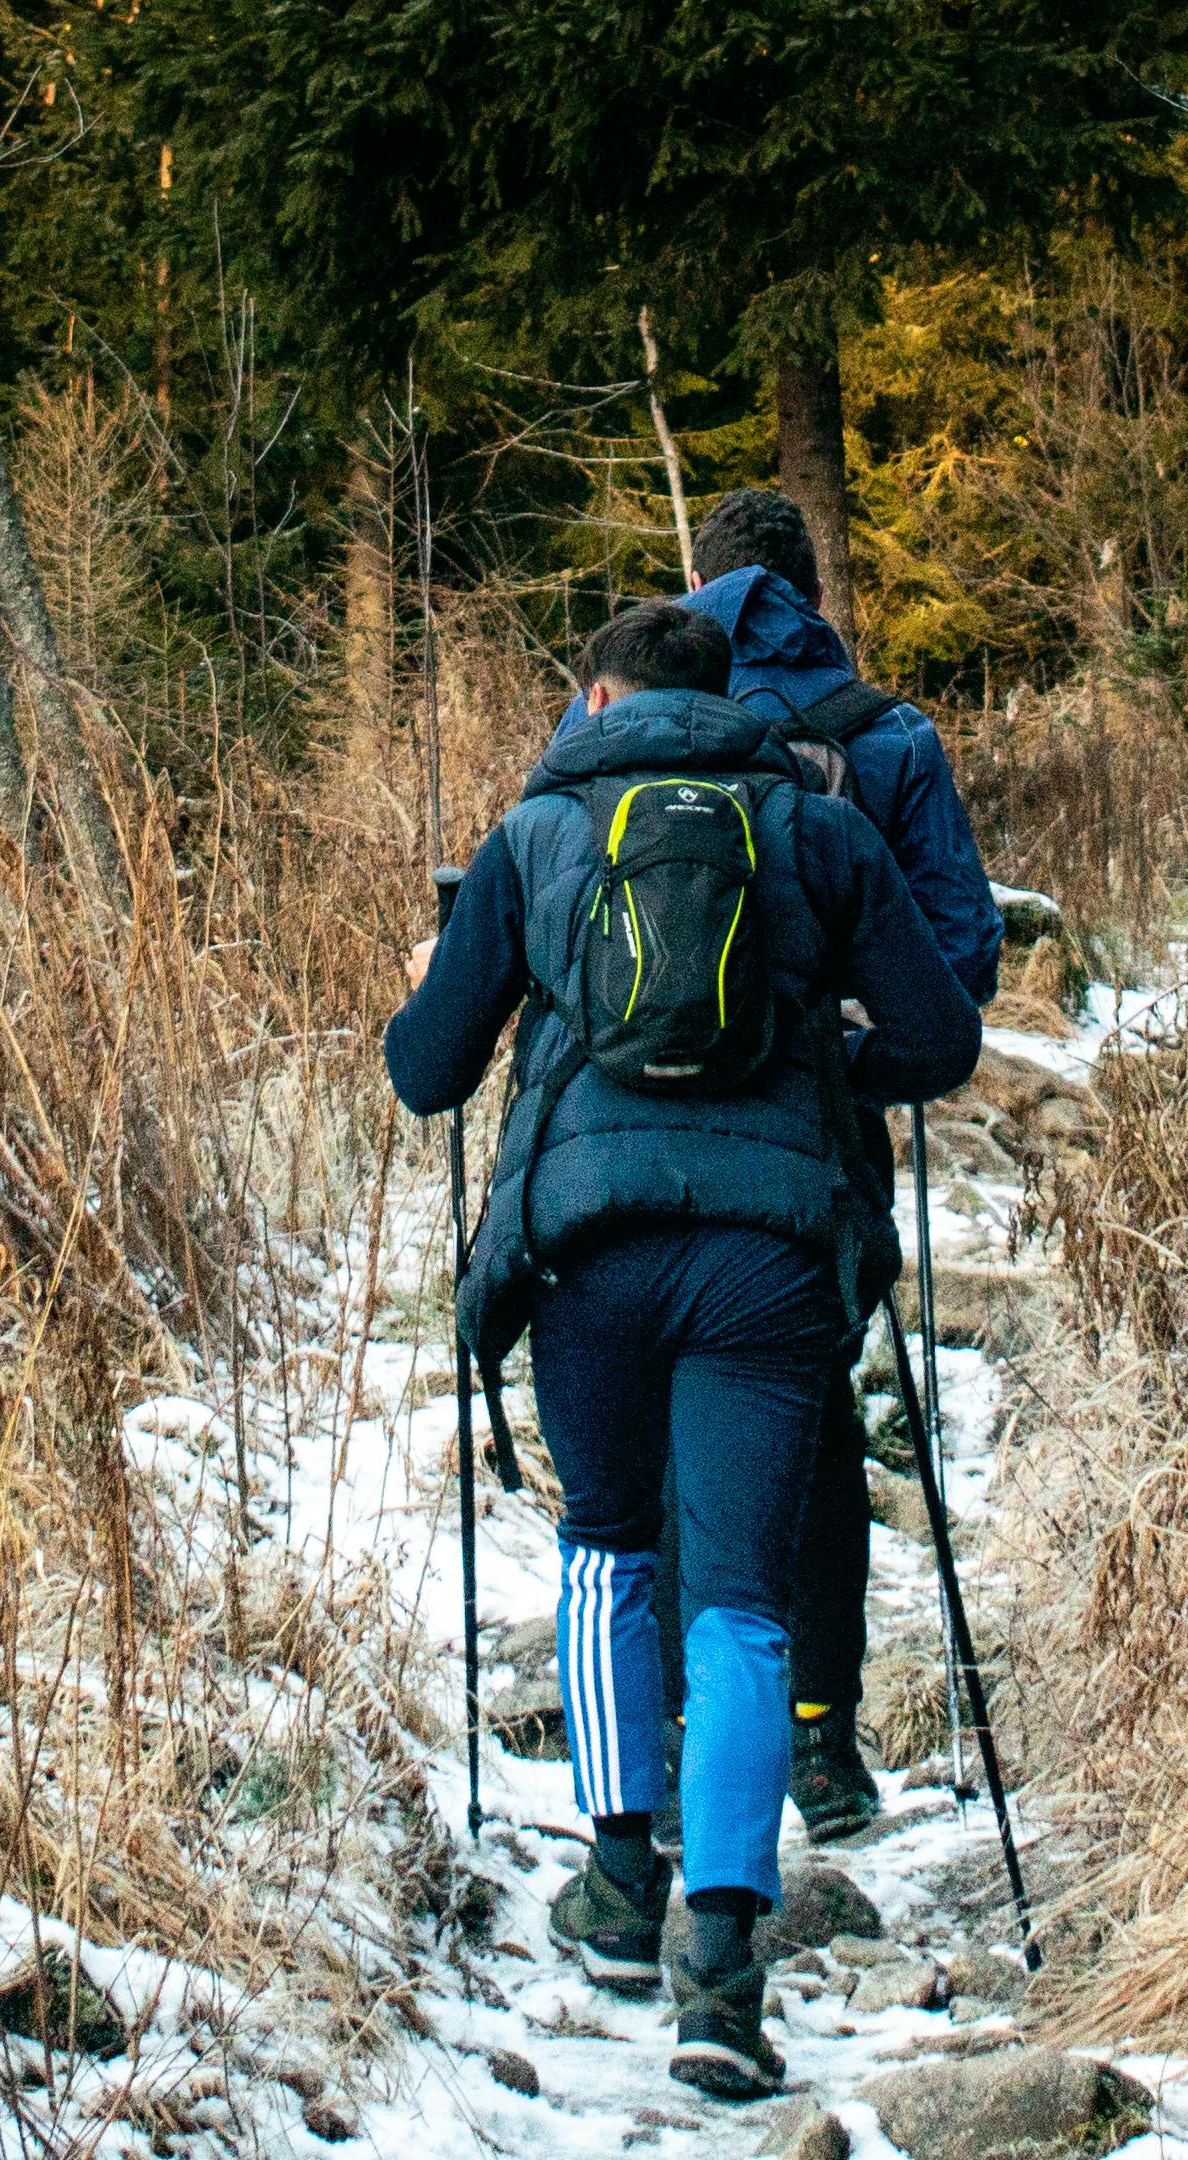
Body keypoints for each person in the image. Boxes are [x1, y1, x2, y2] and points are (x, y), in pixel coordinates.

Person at [387, 596, 982, 2102]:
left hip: (591, 1247)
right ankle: (724, 1965)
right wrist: (822, 1061)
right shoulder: (815, 825)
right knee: (739, 1595)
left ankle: (615, 1885)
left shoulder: (540, 831)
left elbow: (425, 1069)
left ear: (595, 699)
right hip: (770, 1256)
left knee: (606, 1551)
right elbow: (938, 1040)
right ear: (732, 694)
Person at [676, 485, 997, 1841]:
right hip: (815, 1155)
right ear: (816, 593)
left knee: (665, 1444)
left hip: (643, 1141)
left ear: (696, 591)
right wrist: (845, 1059)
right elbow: (961, 964)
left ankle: (677, 1765)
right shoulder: (891, 739)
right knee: (805, 1442)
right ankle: (822, 1747)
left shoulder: (632, 731)